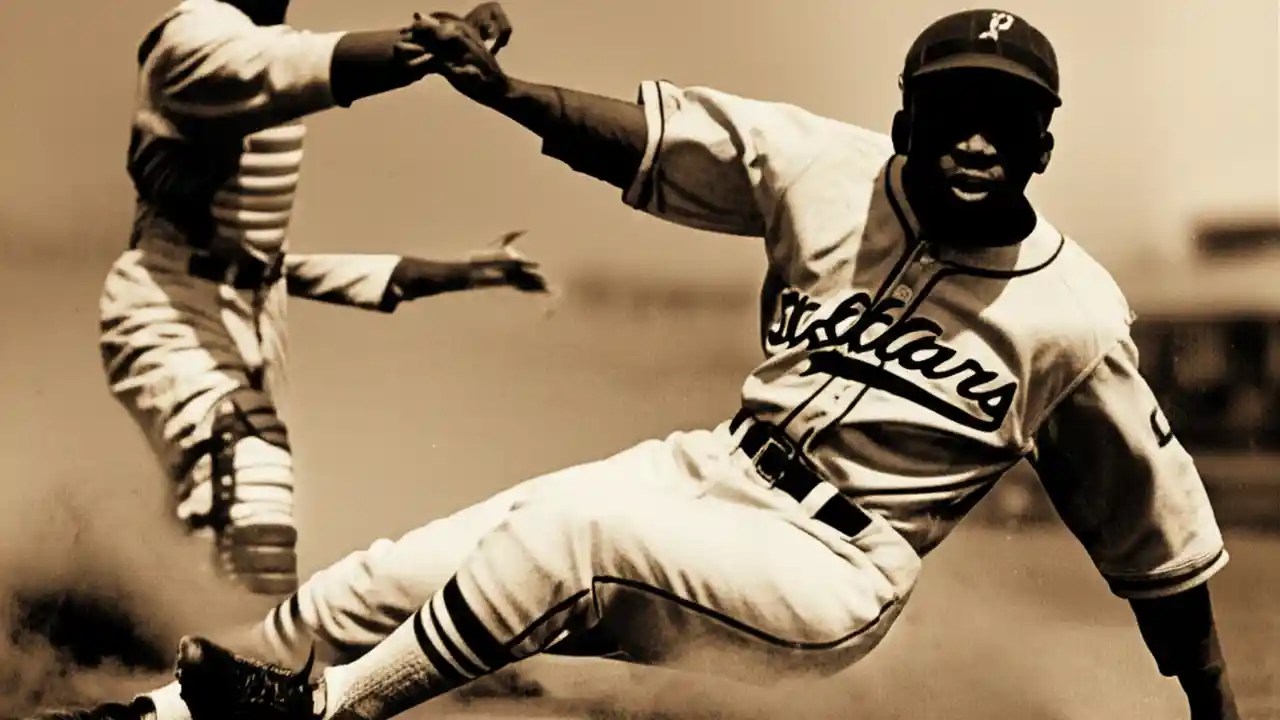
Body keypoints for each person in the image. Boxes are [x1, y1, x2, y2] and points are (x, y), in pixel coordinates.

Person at [54, 6, 1239, 720]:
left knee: (566, 543)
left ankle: (317, 714)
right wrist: (510, 96)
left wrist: (1214, 712)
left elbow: (1155, 544)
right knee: (378, 578)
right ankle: (164, 713)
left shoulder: (1075, 318)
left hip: (825, 572)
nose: (976, 135)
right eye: (954, 107)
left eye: (1004, 116)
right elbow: (652, 138)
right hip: (701, 473)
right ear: (904, 115)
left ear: (1041, 139)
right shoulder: (822, 166)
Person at [98, 0, 546, 599]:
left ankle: (138, 635)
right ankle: (239, 660)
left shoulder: (255, 45)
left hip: (244, 315)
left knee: (209, 522)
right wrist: (425, 48)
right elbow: (284, 65)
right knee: (248, 458)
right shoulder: (191, 43)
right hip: (167, 310)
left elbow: (274, 266)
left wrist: (464, 272)